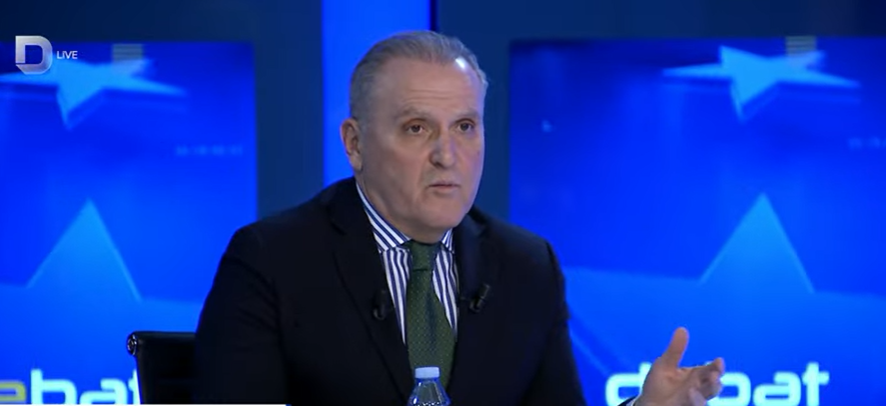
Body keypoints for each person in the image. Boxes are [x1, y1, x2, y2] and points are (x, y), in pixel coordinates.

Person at [192, 30, 725, 406]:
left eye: (465, 127)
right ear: (354, 144)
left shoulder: (526, 266)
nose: (447, 155)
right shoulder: (272, 261)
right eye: (417, 128)